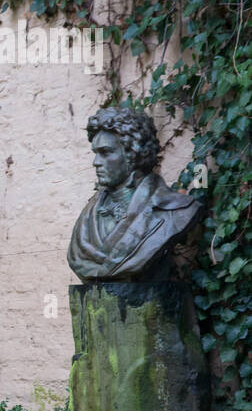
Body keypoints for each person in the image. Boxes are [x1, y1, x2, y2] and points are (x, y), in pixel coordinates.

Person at [66, 107, 202, 281]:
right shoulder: (87, 217)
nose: (96, 162)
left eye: (106, 153)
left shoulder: (175, 210)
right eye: (95, 153)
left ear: (133, 154)